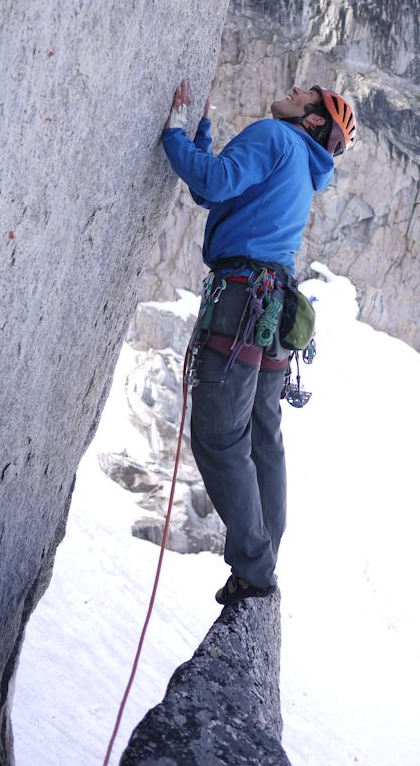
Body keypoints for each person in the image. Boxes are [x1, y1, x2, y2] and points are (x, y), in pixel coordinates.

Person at [162, 79, 356, 604]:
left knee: (219, 435)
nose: (295, 89)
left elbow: (216, 181)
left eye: (307, 94)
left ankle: (254, 568)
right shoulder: (302, 164)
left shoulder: (274, 135)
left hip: (241, 301)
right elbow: (212, 190)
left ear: (313, 119)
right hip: (276, 308)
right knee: (262, 433)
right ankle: (265, 551)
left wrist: (174, 132)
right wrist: (198, 134)